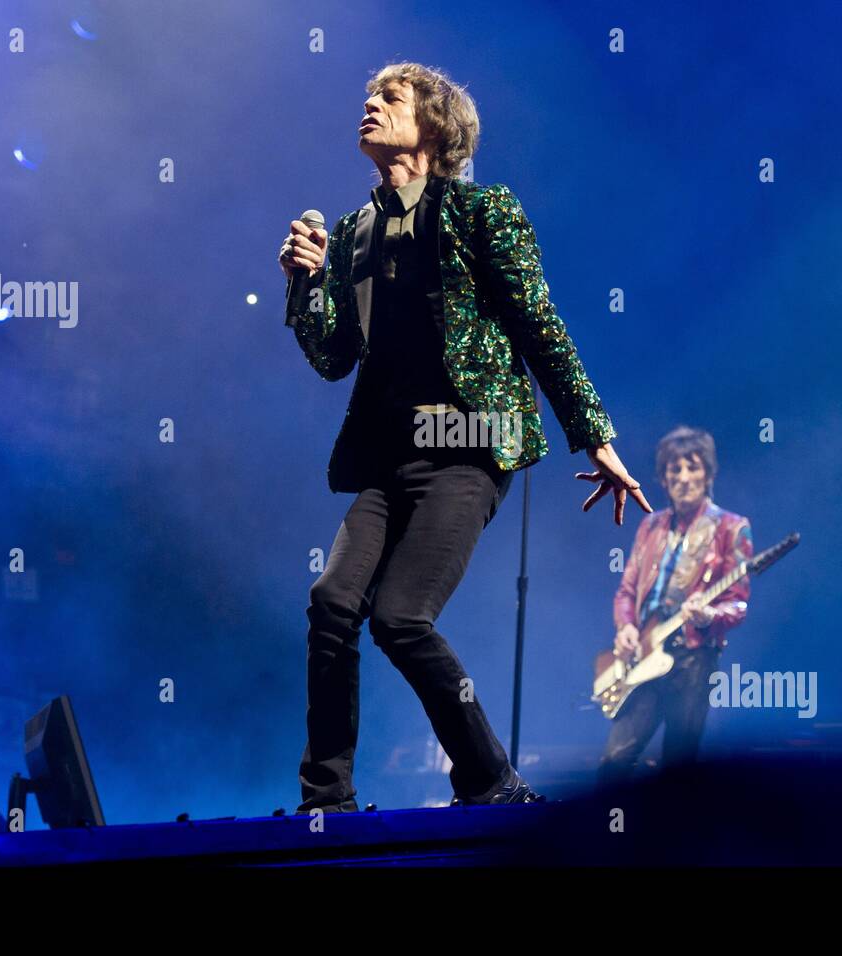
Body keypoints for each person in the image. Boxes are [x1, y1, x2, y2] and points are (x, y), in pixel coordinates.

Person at [278, 61, 651, 812]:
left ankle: (491, 782)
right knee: (331, 602)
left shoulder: (482, 213)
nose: (369, 106)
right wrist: (304, 285)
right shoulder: (353, 233)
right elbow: (332, 358)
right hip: (387, 458)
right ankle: (328, 801)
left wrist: (594, 437)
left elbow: (537, 326)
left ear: (436, 124)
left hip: (469, 446)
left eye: (388, 97)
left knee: (401, 618)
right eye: (367, 97)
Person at [597, 425, 753, 784]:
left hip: (693, 658)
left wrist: (709, 614)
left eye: (692, 467)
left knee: (678, 768)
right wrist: (625, 628)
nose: (683, 477)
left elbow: (739, 604)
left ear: (708, 474)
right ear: (664, 479)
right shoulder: (650, 527)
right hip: (644, 658)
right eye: (674, 470)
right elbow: (626, 592)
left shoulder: (731, 528)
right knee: (614, 761)